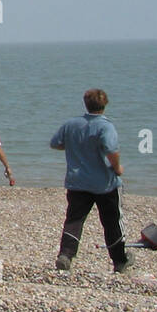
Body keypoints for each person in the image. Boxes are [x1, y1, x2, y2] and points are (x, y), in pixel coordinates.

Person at [51, 88, 129, 273]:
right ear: (105, 104)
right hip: (104, 184)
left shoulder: (72, 124)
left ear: (86, 104)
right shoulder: (105, 126)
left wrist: (75, 148)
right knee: (111, 222)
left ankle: (66, 254)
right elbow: (111, 150)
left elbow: (55, 143)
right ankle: (120, 261)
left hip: (77, 182)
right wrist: (117, 168)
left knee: (74, 219)